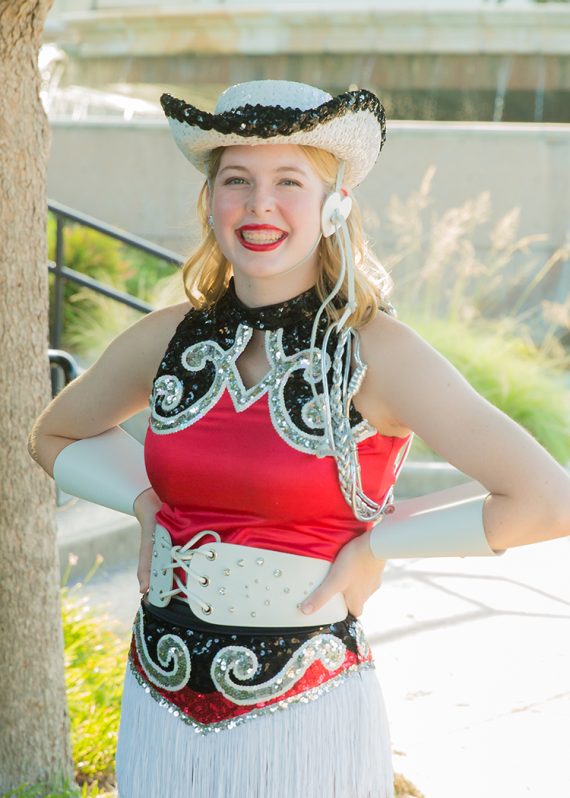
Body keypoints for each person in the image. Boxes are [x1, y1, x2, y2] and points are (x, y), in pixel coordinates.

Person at [28, 80, 570, 798]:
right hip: (158, 699)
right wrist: (146, 505)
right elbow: (55, 435)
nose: (259, 204)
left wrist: (375, 547)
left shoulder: (379, 352)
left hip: (304, 718)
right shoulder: (163, 339)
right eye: (237, 181)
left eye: (290, 180)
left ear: (334, 203)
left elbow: (546, 499)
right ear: (211, 200)